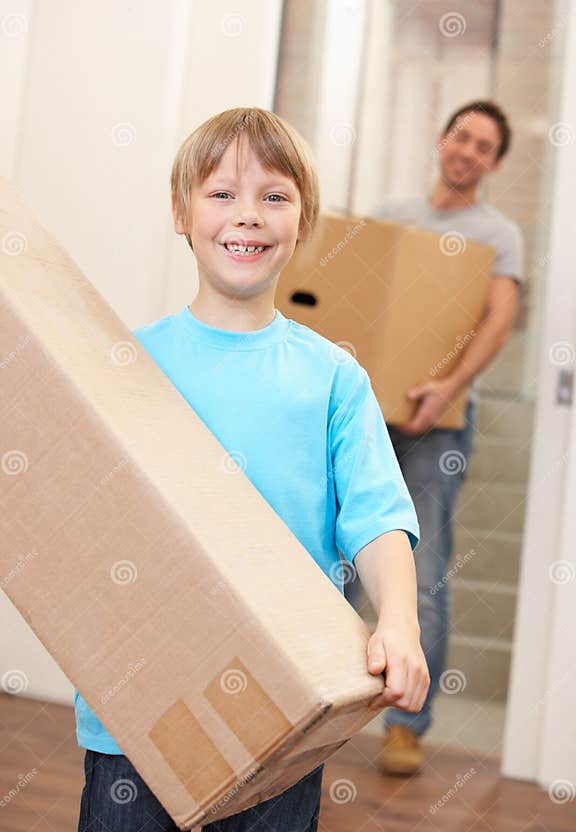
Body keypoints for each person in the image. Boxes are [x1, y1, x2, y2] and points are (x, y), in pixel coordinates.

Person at [74, 107, 430, 832]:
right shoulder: (128, 365)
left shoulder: (333, 378)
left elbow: (376, 516)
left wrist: (399, 620)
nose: (248, 216)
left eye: (274, 196)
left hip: (281, 713)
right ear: (181, 213)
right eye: (221, 193)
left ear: (304, 220)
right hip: (138, 711)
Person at [345, 99, 524, 776]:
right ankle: (316, 706)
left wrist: (448, 388)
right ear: (442, 138)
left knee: (421, 571)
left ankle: (406, 727)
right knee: (337, 561)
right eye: (462, 136)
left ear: (494, 163)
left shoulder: (498, 234)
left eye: (484, 146)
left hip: (436, 424)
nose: (468, 152)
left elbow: (497, 323)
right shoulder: (393, 215)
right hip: (366, 415)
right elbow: (354, 298)